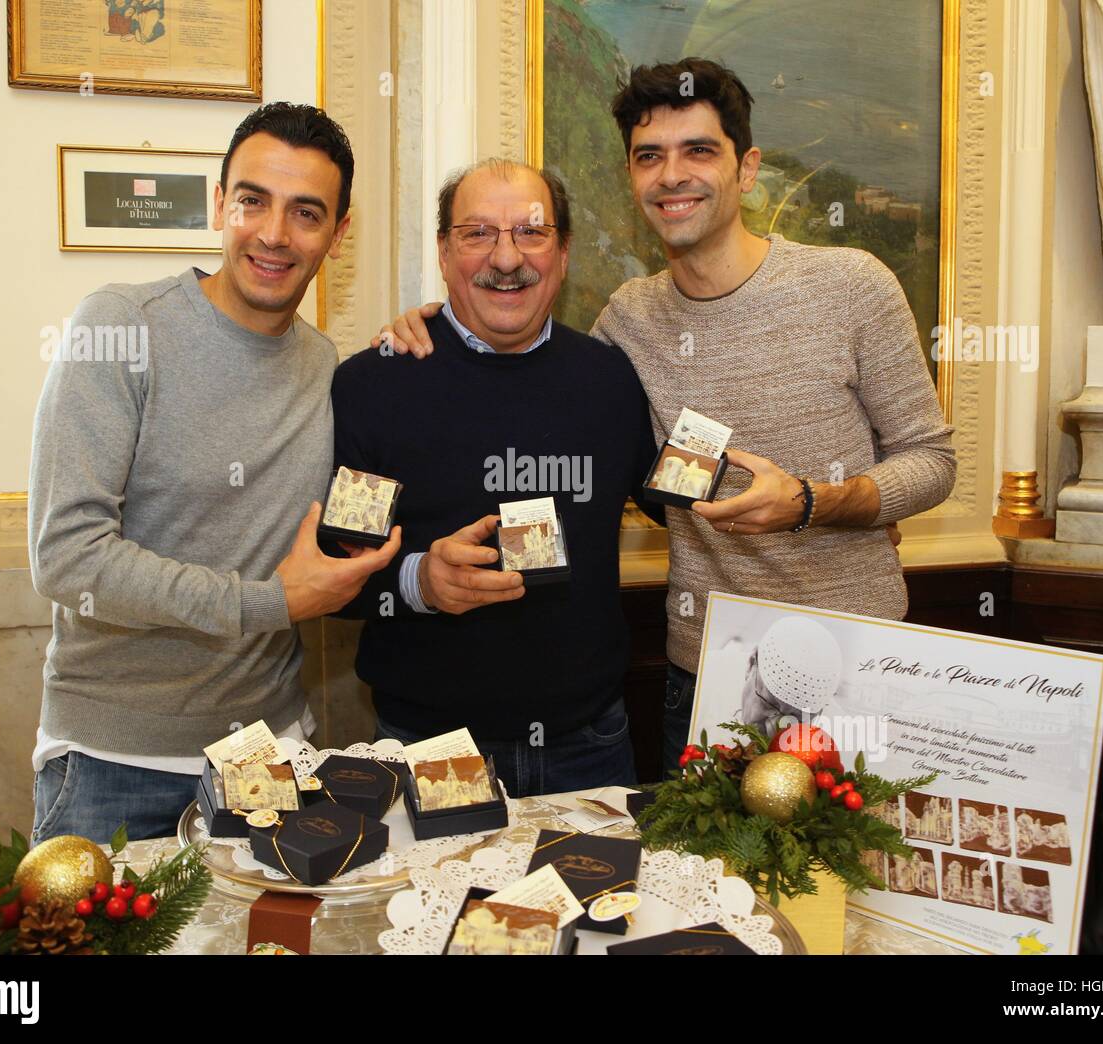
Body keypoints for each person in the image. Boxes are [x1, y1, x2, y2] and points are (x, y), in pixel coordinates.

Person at [375, 58, 956, 774]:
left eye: (699, 151)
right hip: (709, 674)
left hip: (856, 665)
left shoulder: (850, 285)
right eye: (650, 156)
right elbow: (532, 380)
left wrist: (819, 501)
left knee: (857, 884)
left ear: (747, 169)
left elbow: (932, 461)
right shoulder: (628, 323)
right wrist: (423, 331)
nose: (671, 175)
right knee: (720, 886)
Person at [27, 102, 400, 845]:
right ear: (218, 203)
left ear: (338, 233)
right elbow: (66, 558)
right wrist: (266, 601)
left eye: (306, 212)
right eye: (252, 201)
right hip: (112, 762)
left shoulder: (325, 366)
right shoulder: (121, 325)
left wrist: (431, 334)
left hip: (269, 753)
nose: (273, 233)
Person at [331, 159, 662, 798]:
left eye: (531, 233)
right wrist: (419, 579)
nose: (506, 258)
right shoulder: (374, 386)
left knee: (598, 903)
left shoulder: (611, 383)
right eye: (478, 233)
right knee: (427, 904)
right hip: (429, 750)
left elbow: (681, 502)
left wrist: (818, 503)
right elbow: (339, 572)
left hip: (589, 748)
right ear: (445, 253)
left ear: (563, 253)